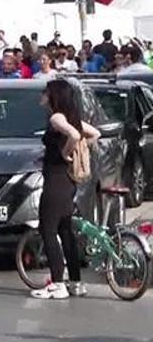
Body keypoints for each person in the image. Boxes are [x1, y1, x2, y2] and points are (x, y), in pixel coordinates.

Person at [31, 80, 100, 299]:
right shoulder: (72, 117)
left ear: (53, 96)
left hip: (54, 183)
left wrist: (65, 152)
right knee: (66, 231)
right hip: (68, 182)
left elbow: (75, 135)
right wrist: (76, 152)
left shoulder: (56, 117)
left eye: (45, 92)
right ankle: (76, 282)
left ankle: (58, 283)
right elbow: (95, 134)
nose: (41, 95)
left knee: (48, 230)